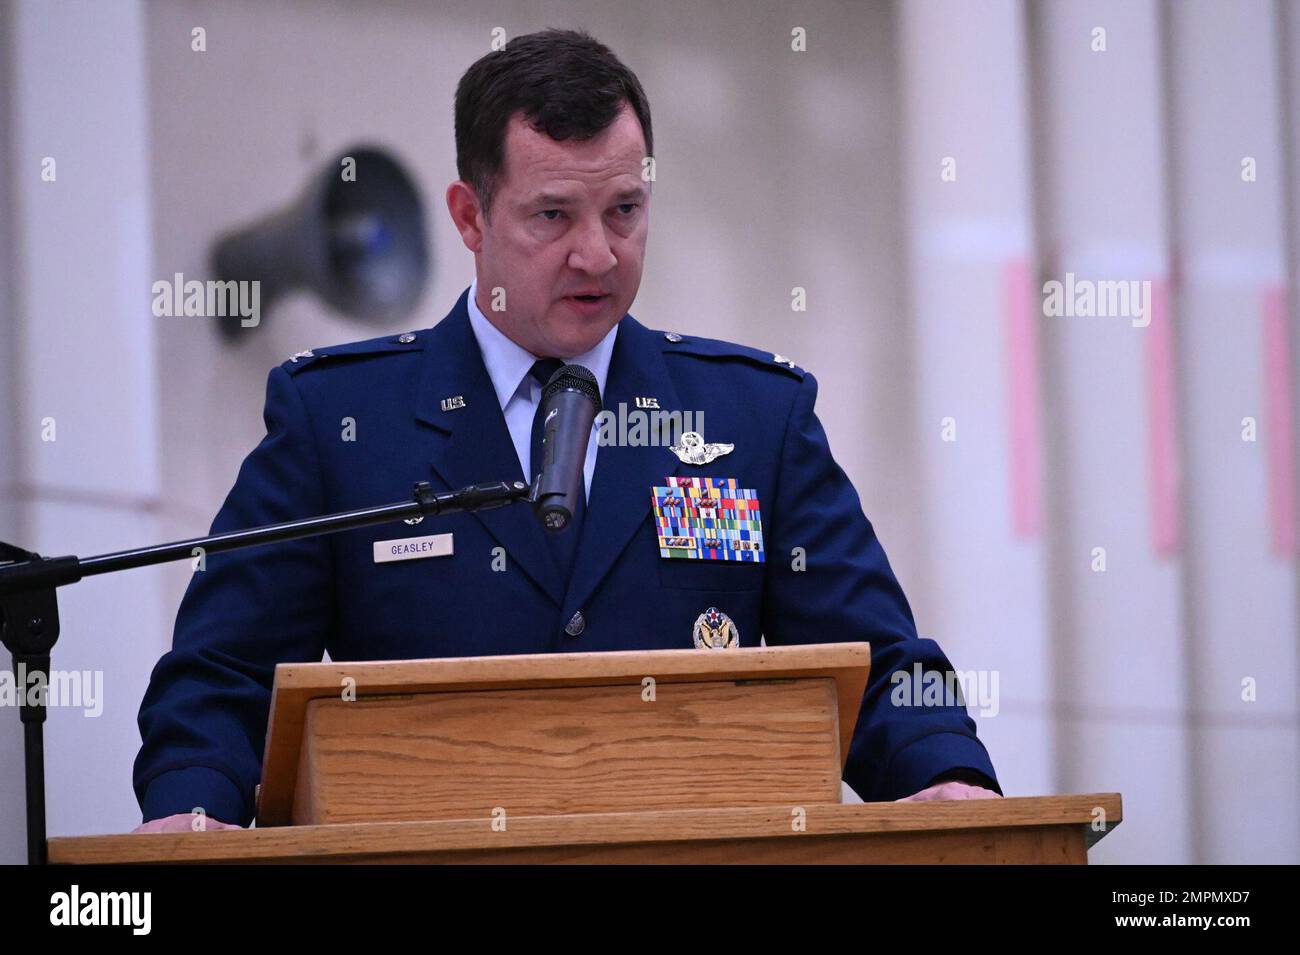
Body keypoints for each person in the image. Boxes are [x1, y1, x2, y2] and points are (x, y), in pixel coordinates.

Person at [133, 28, 999, 834]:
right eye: (553, 215)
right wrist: (192, 810)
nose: (598, 254)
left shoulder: (754, 419)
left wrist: (945, 772)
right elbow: (223, 674)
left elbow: (879, 663)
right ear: (470, 216)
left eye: (624, 210)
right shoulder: (341, 422)